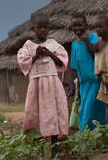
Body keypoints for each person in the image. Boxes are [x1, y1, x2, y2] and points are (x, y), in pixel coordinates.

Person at [17, 15, 70, 144]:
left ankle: (54, 146)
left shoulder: (53, 45)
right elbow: (23, 63)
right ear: (33, 28)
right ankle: (37, 146)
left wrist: (50, 54)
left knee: (54, 113)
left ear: (49, 29)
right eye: (39, 27)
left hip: (53, 86)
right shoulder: (28, 46)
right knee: (35, 114)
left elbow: (62, 62)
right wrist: (36, 55)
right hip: (36, 86)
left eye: (45, 27)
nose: (42, 30)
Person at [69, 14, 105, 131]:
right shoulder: (74, 44)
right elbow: (75, 68)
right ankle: (89, 133)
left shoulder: (93, 38)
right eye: (74, 25)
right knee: (84, 107)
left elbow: (95, 55)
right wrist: (77, 86)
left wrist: (86, 40)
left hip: (95, 80)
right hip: (83, 83)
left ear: (86, 25)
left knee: (91, 108)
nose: (77, 28)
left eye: (80, 25)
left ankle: (88, 133)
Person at [92, 14, 108, 126]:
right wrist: (106, 81)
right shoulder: (97, 45)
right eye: (96, 27)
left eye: (101, 27)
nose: (98, 29)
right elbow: (98, 66)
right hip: (105, 82)